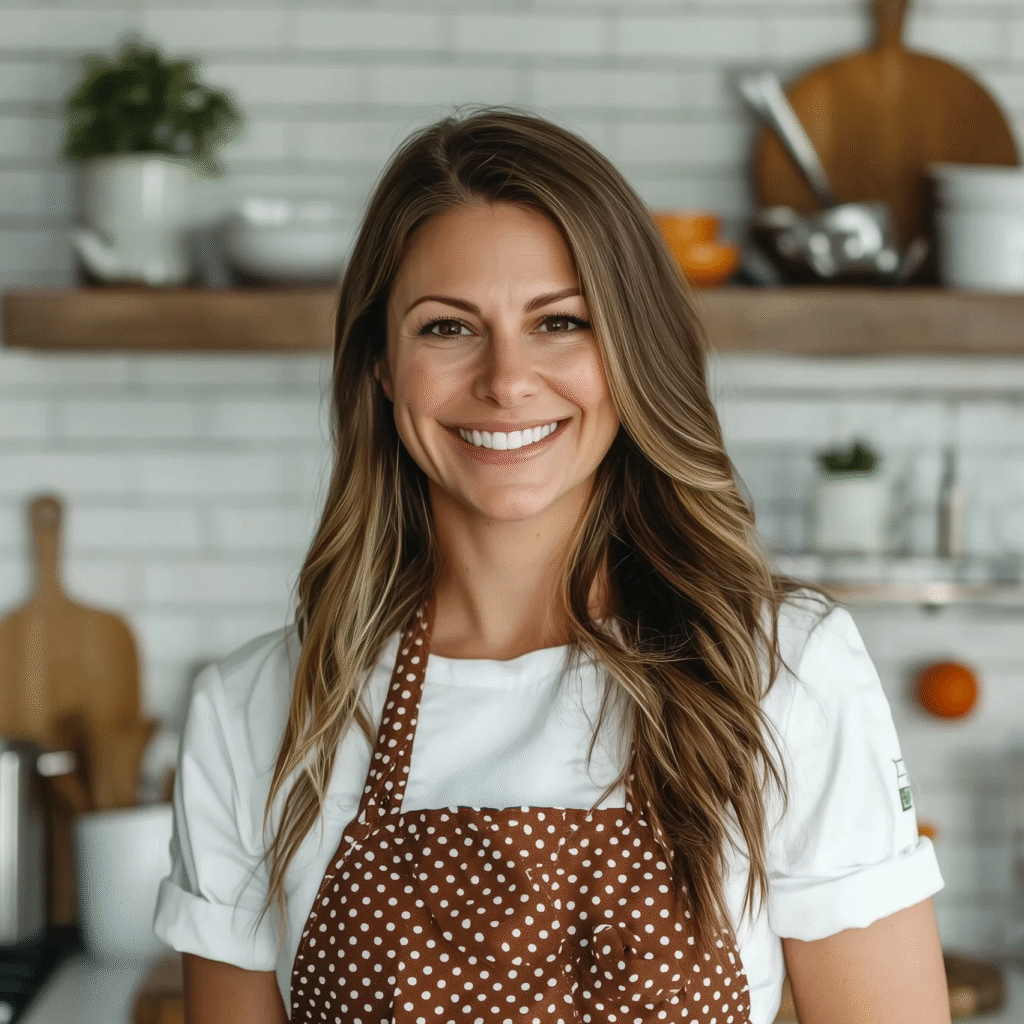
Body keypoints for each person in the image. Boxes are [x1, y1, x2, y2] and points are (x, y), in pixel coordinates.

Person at [153, 106, 949, 1024]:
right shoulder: (257, 713)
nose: (506, 380)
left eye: (560, 322)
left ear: (630, 351)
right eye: (448, 329)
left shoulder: (780, 670)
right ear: (379, 363)